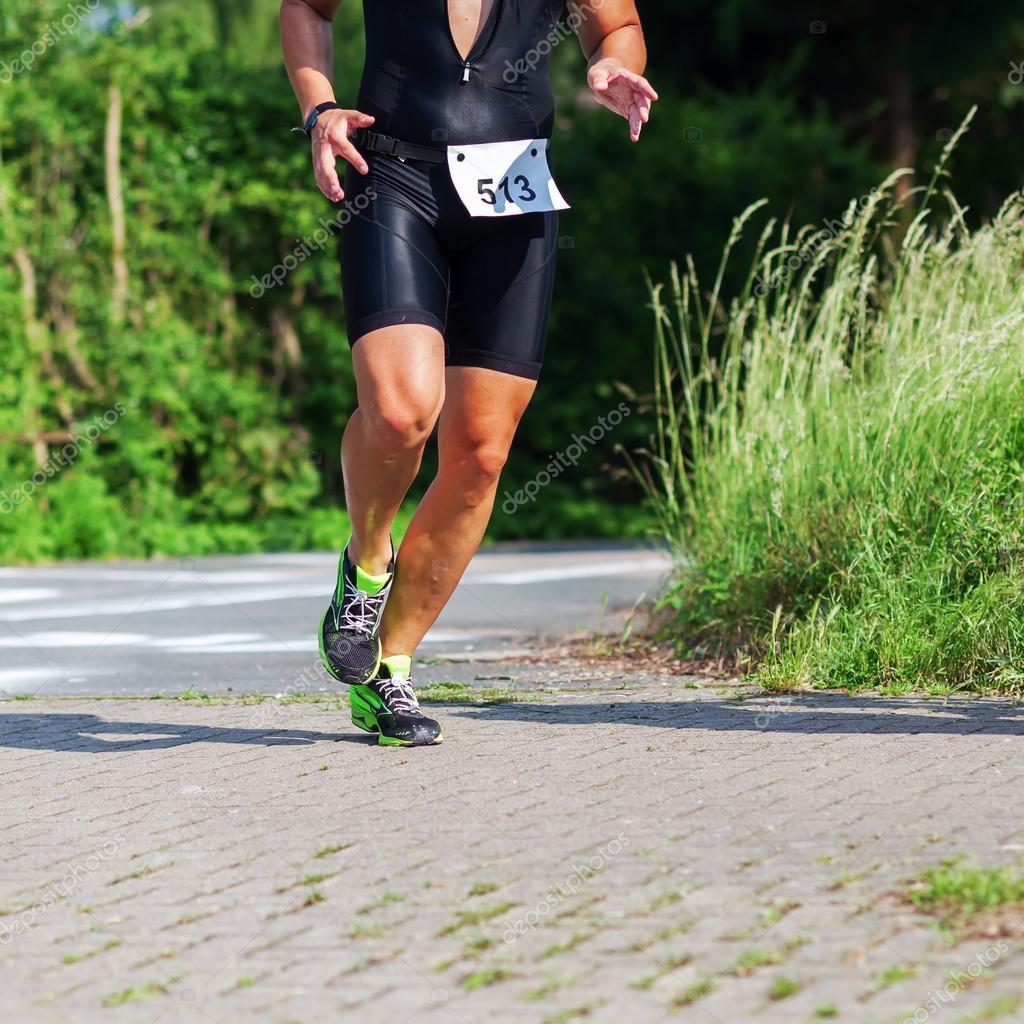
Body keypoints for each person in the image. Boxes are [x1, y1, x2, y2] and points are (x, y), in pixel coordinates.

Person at [280, 0, 656, 746]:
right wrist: (319, 109)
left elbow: (618, 25)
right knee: (400, 412)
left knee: (481, 450)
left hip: (513, 186)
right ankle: (367, 560)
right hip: (392, 178)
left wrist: (615, 65)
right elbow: (305, 9)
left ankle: (390, 673)